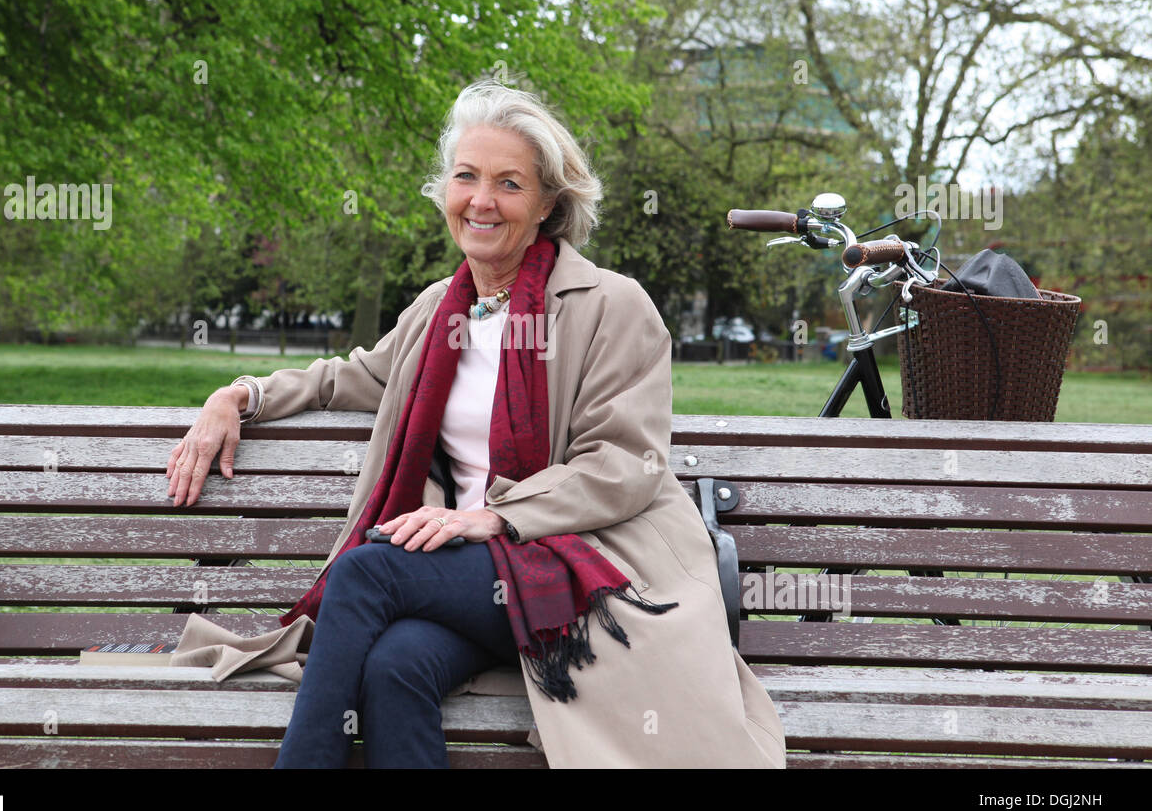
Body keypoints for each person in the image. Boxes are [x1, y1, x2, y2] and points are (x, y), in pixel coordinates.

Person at [165, 79, 786, 768]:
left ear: (549, 202)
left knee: (366, 576)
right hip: (477, 586)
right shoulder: (440, 310)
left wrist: (494, 517)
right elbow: (350, 377)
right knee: (394, 666)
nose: (481, 200)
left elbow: (625, 464)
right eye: (466, 177)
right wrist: (238, 395)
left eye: (509, 183)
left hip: (585, 571)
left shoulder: (611, 305)